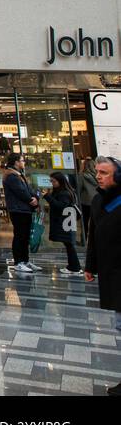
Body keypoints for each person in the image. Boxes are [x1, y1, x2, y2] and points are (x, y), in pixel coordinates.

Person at [84, 156, 121, 396]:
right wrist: (90, 266)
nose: (99, 176)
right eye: (97, 172)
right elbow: (93, 236)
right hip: (112, 272)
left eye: (105, 172)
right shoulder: (98, 201)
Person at [3, 153, 39, 274]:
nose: (23, 162)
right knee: (20, 235)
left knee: (25, 236)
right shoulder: (11, 176)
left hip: (24, 209)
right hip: (18, 209)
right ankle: (19, 262)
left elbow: (28, 189)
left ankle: (25, 260)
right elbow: (21, 191)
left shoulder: (19, 175)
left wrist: (35, 198)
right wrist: (31, 200)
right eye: (22, 160)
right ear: (16, 162)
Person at [46, 171, 83, 277]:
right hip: (67, 221)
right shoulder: (63, 191)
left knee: (69, 244)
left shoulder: (64, 193)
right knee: (69, 244)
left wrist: (48, 197)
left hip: (65, 222)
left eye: (53, 181)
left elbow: (60, 206)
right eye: (51, 181)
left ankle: (75, 267)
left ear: (60, 181)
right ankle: (72, 266)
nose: (52, 183)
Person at [80, 158, 99, 242]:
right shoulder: (98, 175)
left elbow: (79, 189)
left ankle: (84, 240)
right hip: (97, 201)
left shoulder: (82, 176)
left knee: (84, 221)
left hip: (85, 202)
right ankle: (96, 239)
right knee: (95, 221)